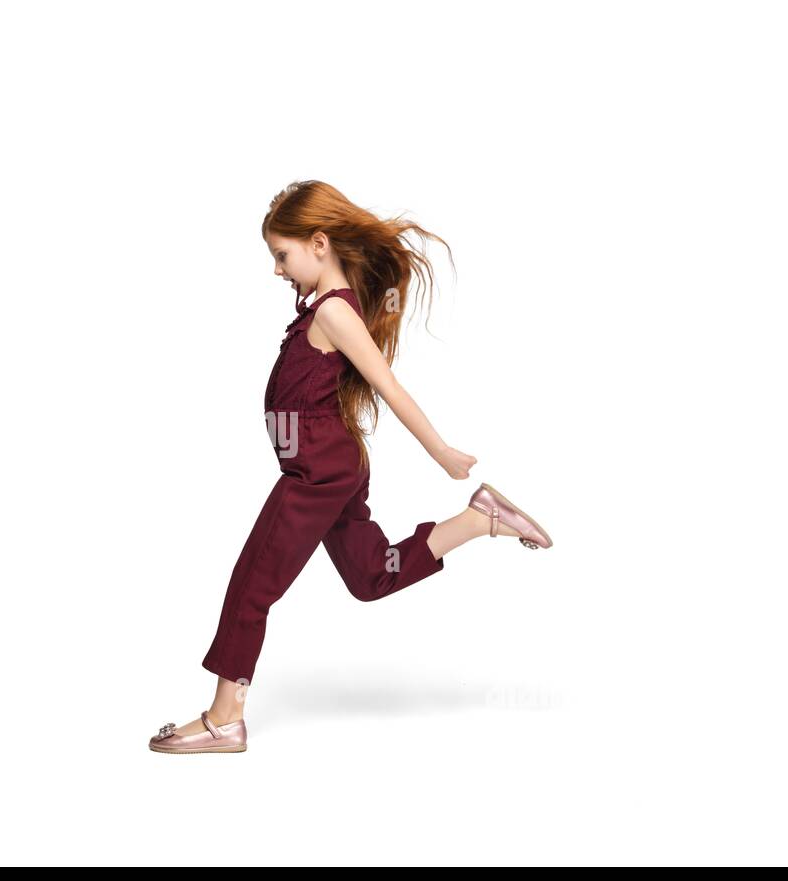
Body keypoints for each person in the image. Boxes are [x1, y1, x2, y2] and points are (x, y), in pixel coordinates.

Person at [149, 181, 553, 754]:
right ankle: (482, 519)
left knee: (252, 583)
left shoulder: (336, 312)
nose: (277, 271)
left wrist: (439, 450)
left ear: (318, 243)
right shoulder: (328, 308)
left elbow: (388, 386)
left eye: (281, 255)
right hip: (331, 468)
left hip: (317, 473)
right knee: (371, 576)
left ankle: (225, 717)